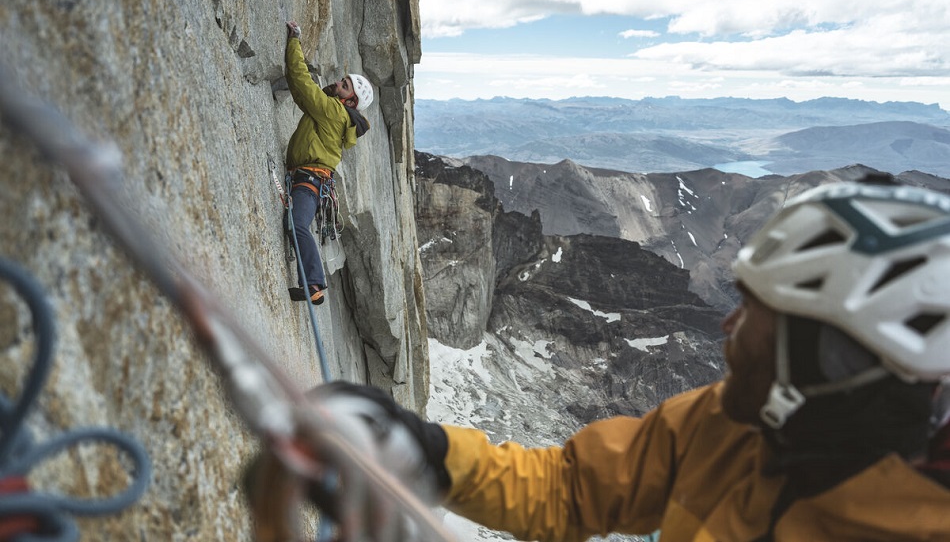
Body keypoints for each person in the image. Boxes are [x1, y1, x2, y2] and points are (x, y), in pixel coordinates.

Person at [249, 177, 950, 541]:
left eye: (758, 320)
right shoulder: (736, 425)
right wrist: (427, 452)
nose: (728, 329)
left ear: (833, 361)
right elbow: (571, 490)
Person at [283, 20, 373, 305]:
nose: (338, 83)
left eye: (345, 85)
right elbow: (310, 93)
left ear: (350, 101)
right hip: (312, 179)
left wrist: (294, 41)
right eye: (343, 80)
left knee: (297, 225)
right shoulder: (339, 113)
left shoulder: (335, 112)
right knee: (296, 224)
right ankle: (312, 282)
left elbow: (301, 84)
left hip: (309, 180)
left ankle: (313, 285)